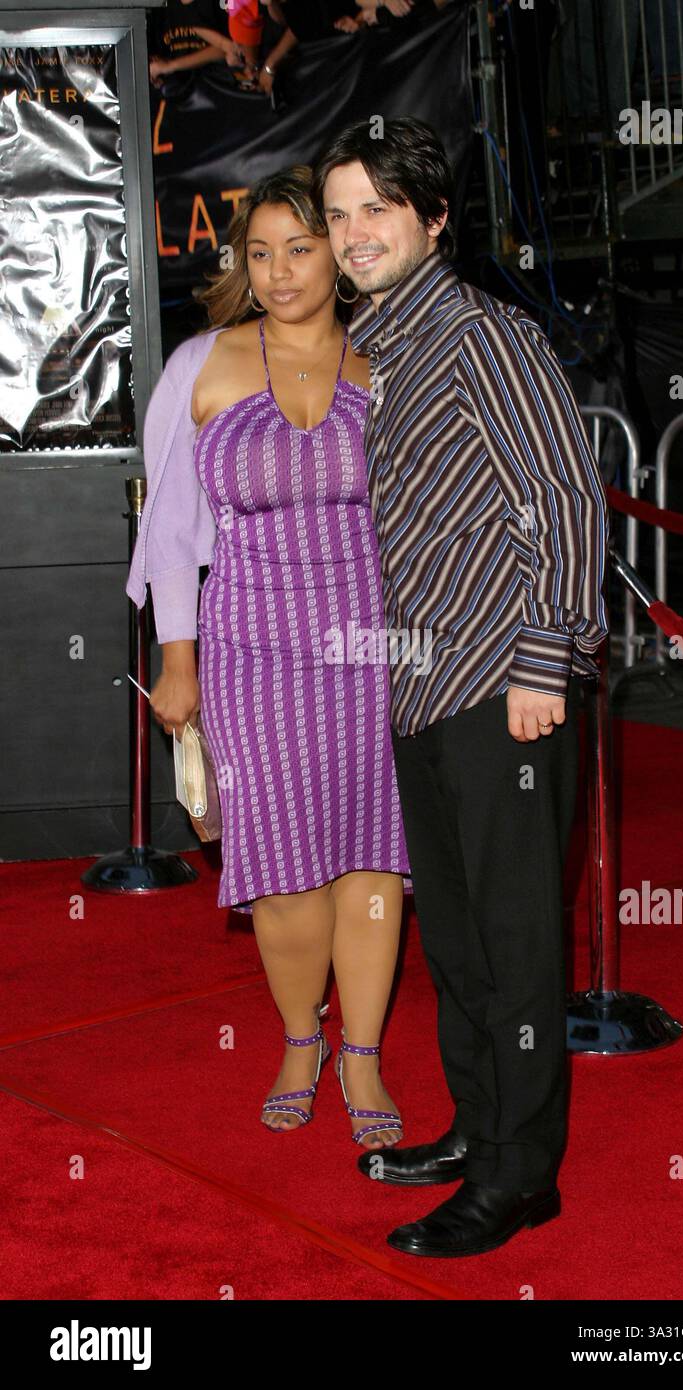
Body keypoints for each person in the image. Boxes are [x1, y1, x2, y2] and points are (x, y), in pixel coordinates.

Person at [311, 117, 609, 1257]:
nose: (353, 235)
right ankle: (479, 1129)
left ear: (435, 219)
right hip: (426, 688)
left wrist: (546, 661)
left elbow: (566, 499)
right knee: (463, 947)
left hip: (501, 687)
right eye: (338, 214)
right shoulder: (392, 346)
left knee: (516, 939)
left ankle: (520, 1176)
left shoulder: (482, 335)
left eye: (377, 209)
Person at [125, 167, 412, 1151]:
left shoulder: (386, 363)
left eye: (301, 246)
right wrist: (178, 661)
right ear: (241, 265)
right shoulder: (201, 364)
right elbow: (168, 532)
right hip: (250, 643)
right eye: (262, 251)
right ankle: (302, 1038)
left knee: (373, 855)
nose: (282, 270)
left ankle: (362, 1051)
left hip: (371, 641)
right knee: (284, 869)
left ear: (338, 250)